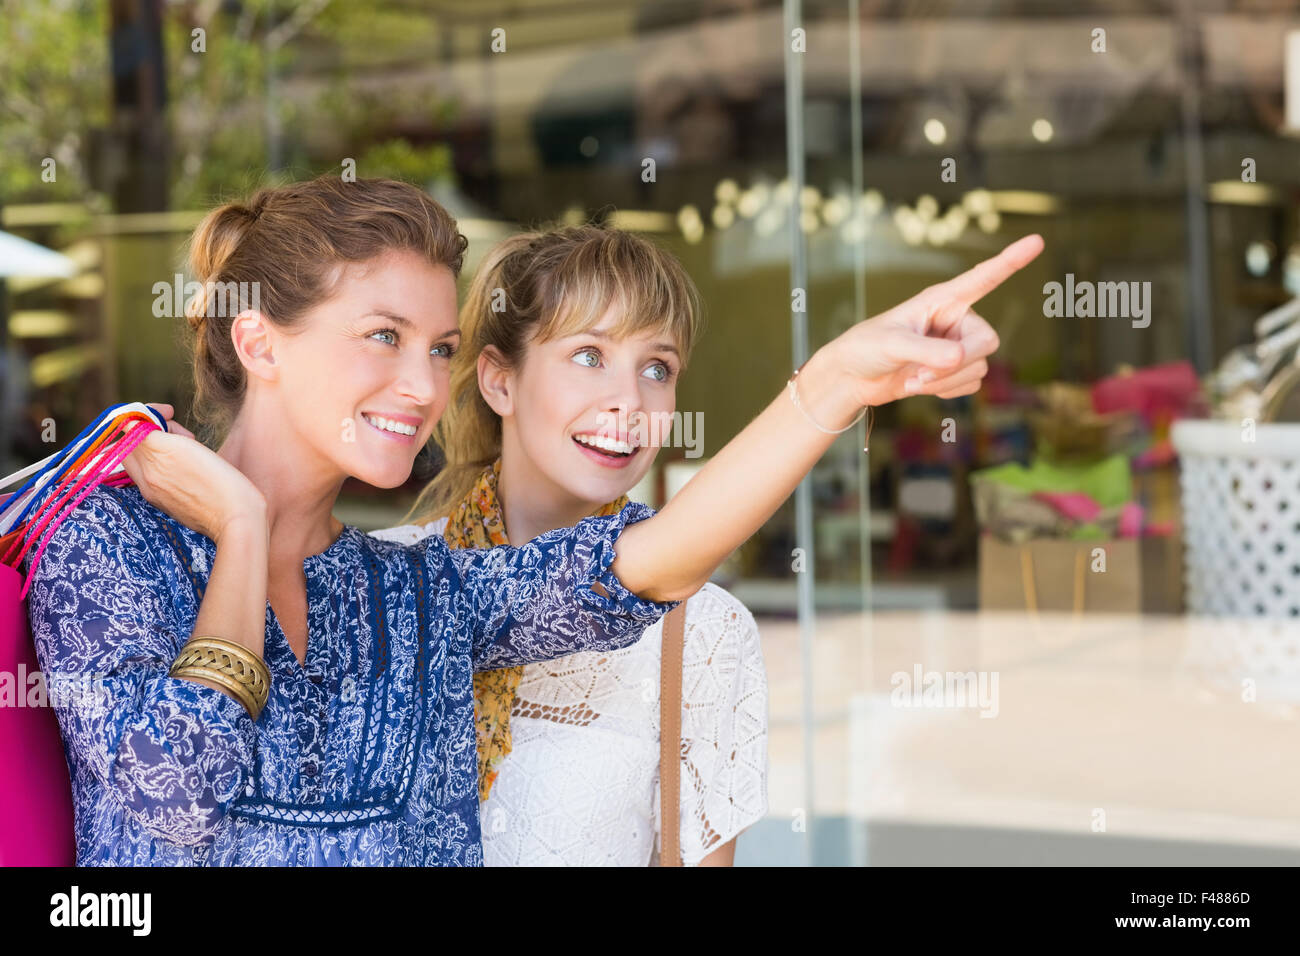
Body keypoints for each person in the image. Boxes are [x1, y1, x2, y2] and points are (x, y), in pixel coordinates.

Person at [23, 173, 1041, 866]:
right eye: (383, 335)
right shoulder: (111, 543)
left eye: (438, 346)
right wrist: (241, 533)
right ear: (260, 340)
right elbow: (169, 791)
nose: (422, 383)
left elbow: (640, 565)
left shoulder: (408, 587)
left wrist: (830, 390)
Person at [373, 226, 767, 865]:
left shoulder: (702, 631)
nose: (628, 403)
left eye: (657, 368)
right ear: (501, 381)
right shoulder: (382, 576)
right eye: (590, 355)